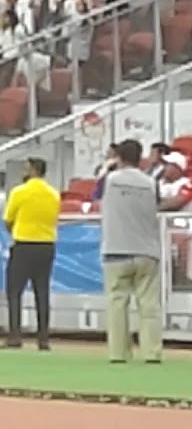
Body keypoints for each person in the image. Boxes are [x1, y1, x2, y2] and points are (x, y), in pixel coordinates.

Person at [98, 139, 163, 364]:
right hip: (147, 250)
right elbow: (158, 204)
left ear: (119, 157)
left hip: (117, 248)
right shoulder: (150, 182)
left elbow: (96, 195)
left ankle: (118, 353)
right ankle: (152, 352)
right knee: (149, 305)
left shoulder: (111, 180)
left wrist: (107, 167)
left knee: (117, 304)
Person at [0, 157, 60, 351]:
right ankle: (43, 338)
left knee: (14, 291)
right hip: (46, 244)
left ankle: (15, 335)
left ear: (33, 170)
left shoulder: (19, 192)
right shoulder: (53, 194)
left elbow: (8, 219)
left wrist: (16, 231)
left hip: (24, 243)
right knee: (42, 291)